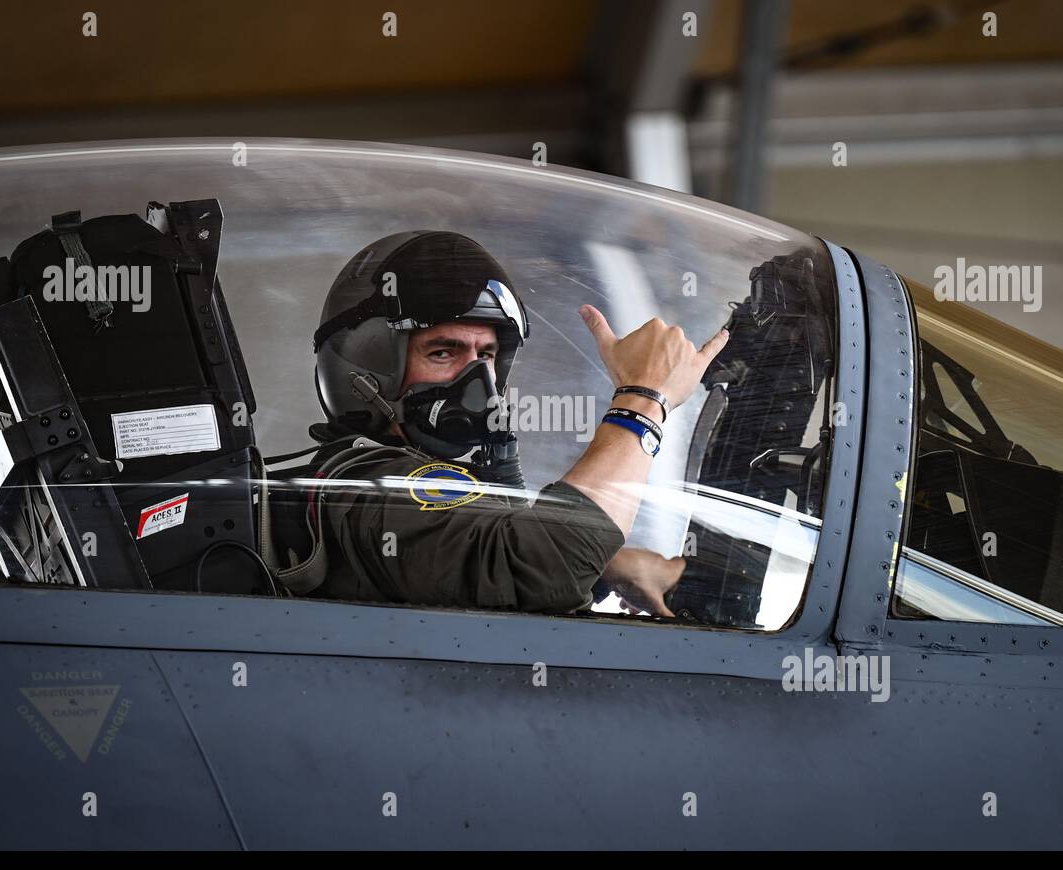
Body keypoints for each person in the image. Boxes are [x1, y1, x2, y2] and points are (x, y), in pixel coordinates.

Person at [260, 230, 727, 615]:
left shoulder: (394, 490)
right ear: (367, 366)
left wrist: (610, 564)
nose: (477, 379)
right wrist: (643, 400)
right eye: (443, 352)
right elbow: (534, 571)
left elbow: (486, 556)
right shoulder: (373, 488)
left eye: (486, 355)